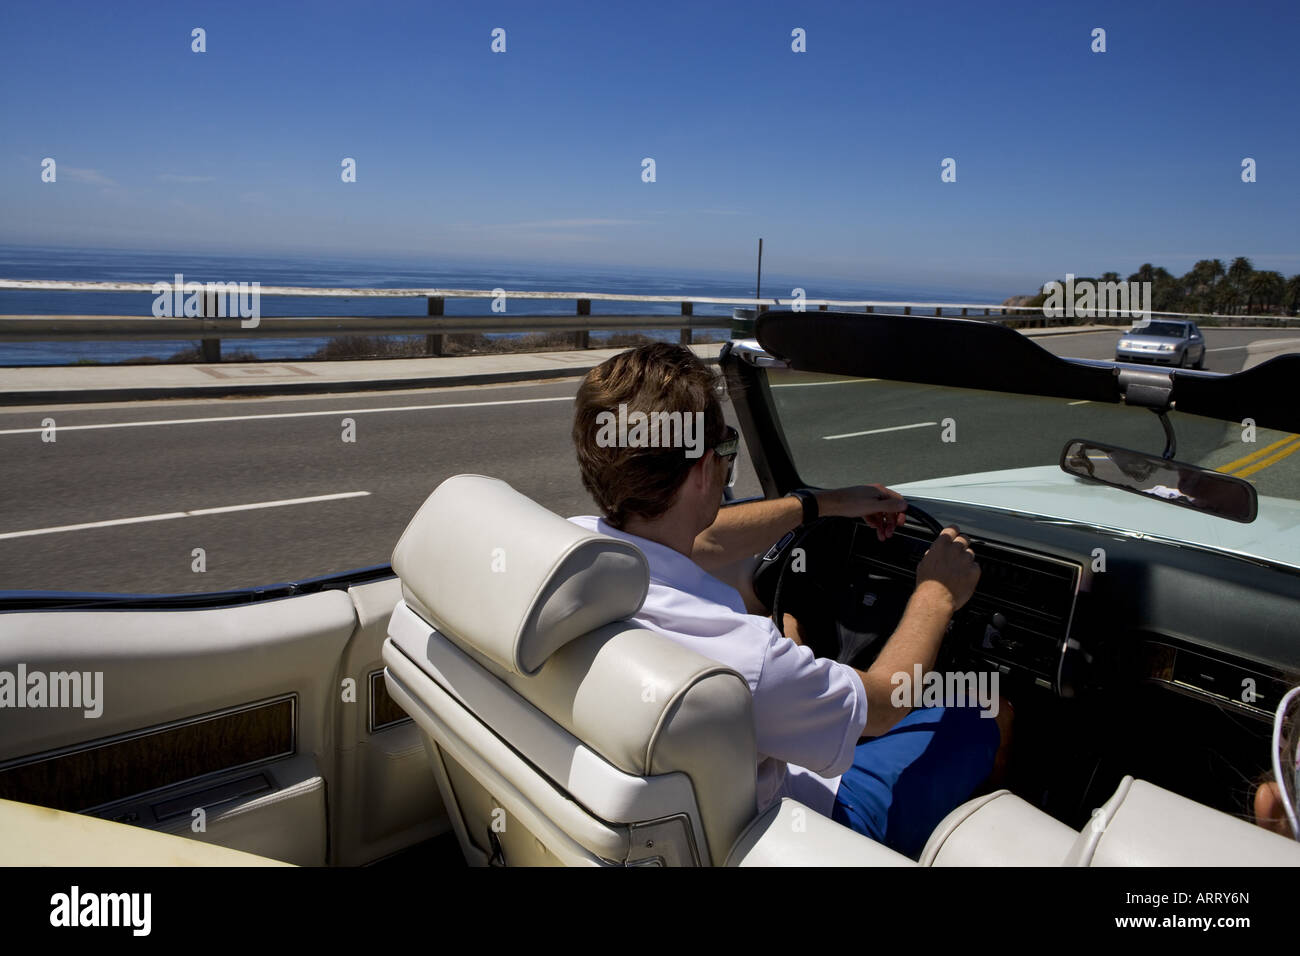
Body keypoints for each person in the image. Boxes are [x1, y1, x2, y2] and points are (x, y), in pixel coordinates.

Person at [569, 343, 1010, 859]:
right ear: (705, 470)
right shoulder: (744, 662)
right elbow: (886, 704)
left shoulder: (571, 552)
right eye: (726, 447)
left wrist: (819, 505)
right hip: (800, 830)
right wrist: (936, 593)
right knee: (988, 708)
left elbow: (699, 539)